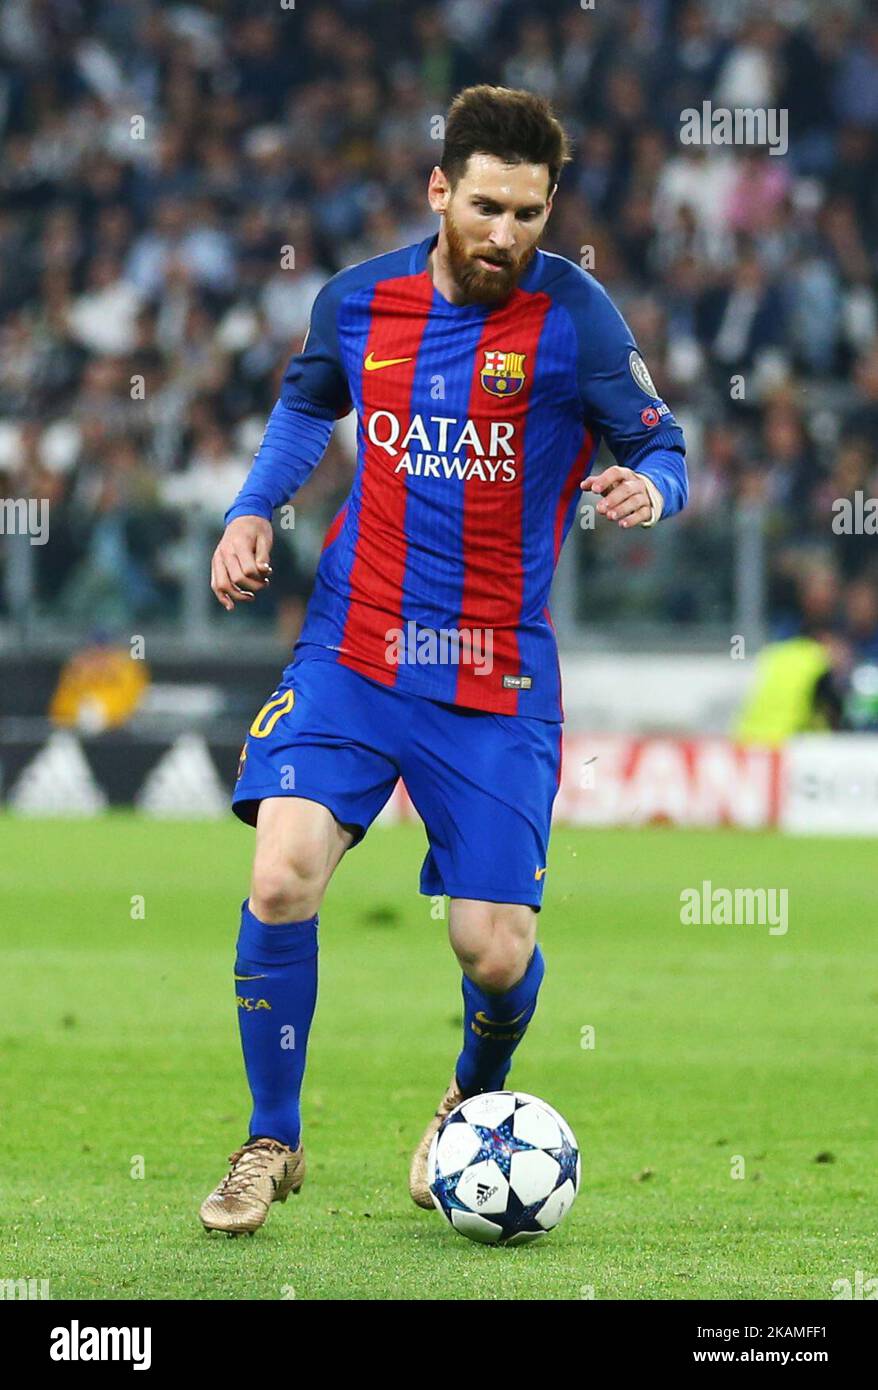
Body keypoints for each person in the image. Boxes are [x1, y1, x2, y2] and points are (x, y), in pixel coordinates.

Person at [200, 85, 689, 1234]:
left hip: (491, 674)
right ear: (438, 191)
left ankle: (469, 1099)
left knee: (492, 945)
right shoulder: (358, 300)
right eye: (484, 207)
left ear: (547, 206)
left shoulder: (575, 320)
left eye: (527, 213)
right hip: (353, 647)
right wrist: (252, 508)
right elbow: (303, 404)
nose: (504, 235)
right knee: (280, 874)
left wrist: (647, 487)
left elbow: (659, 439)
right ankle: (271, 1140)